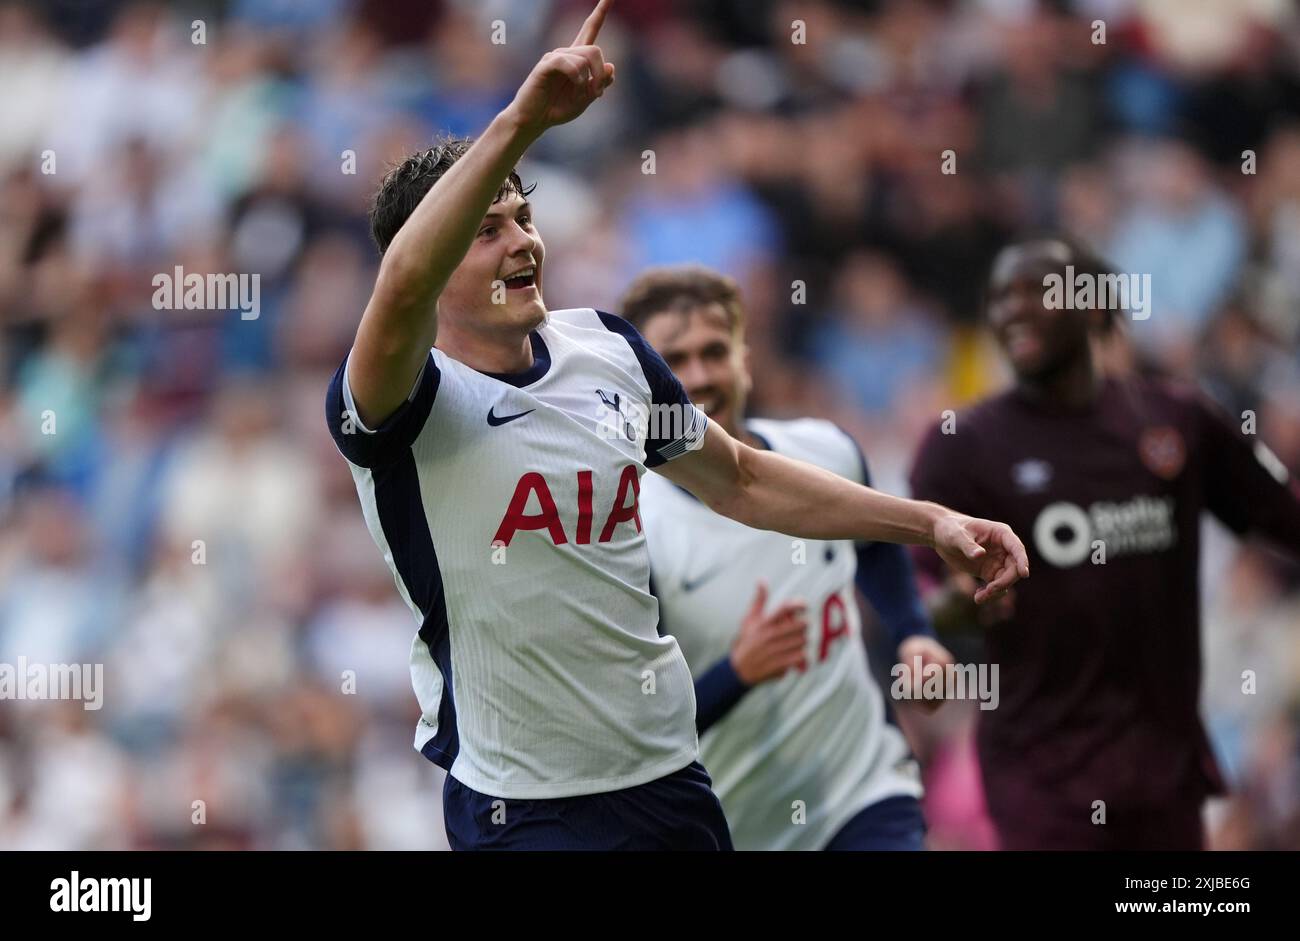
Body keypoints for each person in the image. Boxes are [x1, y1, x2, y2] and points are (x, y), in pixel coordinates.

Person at [325, 0, 1028, 850]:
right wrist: (520, 121)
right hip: (522, 805)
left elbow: (739, 478)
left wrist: (932, 523)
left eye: (525, 219)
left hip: (668, 783)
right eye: (486, 231)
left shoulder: (609, 349)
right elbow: (400, 288)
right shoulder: (403, 400)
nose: (523, 244)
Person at [909, 234, 1300, 850]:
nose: (1009, 310)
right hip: (1042, 773)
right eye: (999, 297)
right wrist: (953, 607)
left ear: (1092, 306)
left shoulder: (1178, 422)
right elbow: (920, 588)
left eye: (1033, 291)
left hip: (1163, 770)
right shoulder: (963, 447)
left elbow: (1284, 517)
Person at [625, 265, 955, 850]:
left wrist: (913, 633)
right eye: (675, 361)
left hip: (866, 794)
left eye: (714, 351)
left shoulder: (824, 452)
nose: (699, 377)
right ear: (644, 383)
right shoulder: (632, 528)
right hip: (737, 826)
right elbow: (631, 725)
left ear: (745, 357)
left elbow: (876, 543)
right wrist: (737, 673)